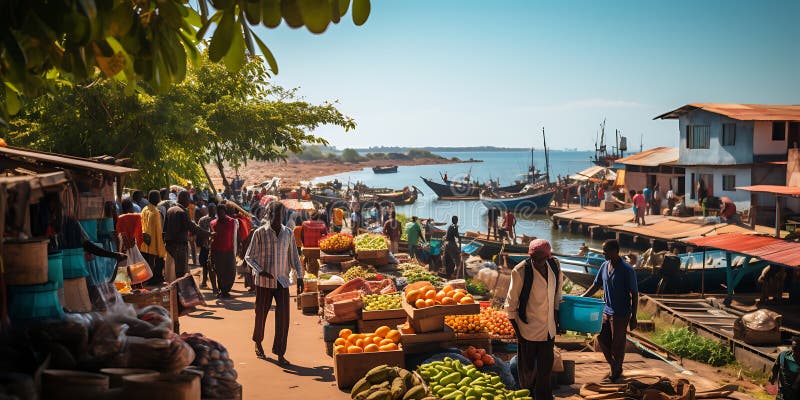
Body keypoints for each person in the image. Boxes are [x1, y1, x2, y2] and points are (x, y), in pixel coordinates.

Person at [245, 201, 303, 364]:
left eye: (281, 215)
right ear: (270, 215)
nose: (278, 219)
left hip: (282, 281)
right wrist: (259, 270)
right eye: (276, 215)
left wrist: (299, 277)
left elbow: (294, 258)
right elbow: (249, 256)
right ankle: (258, 341)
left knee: (283, 318)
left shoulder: (288, 233)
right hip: (264, 281)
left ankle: (280, 352)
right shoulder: (260, 233)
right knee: (260, 314)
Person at [506, 239, 562, 400]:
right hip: (527, 331)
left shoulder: (554, 266)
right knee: (527, 373)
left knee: (545, 370)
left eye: (541, 259)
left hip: (548, 329)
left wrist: (557, 321)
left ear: (548, 256)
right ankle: (528, 395)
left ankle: (544, 397)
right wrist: (520, 336)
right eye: (534, 258)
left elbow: (557, 295)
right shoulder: (520, 271)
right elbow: (510, 306)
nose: (537, 262)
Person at [582, 239, 639, 383]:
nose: (603, 253)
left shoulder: (627, 270)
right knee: (601, 337)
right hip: (606, 311)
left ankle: (615, 371)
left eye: (605, 250)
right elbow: (596, 285)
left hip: (621, 313)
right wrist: (582, 297)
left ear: (615, 251)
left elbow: (635, 293)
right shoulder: (604, 266)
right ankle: (615, 365)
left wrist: (634, 317)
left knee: (618, 344)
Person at [163, 190, 211, 280]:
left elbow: (164, 229)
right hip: (179, 246)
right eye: (188, 198)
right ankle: (179, 292)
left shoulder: (170, 210)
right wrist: (208, 233)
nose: (189, 201)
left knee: (171, 272)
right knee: (180, 274)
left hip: (170, 246)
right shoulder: (182, 212)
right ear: (183, 199)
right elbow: (192, 227)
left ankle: (174, 291)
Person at [210, 204, 237, 298]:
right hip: (217, 251)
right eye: (218, 213)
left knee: (231, 272)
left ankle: (227, 289)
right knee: (220, 272)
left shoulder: (232, 222)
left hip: (229, 251)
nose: (220, 215)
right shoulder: (213, 223)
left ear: (225, 213)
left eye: (222, 213)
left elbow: (236, 235)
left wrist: (239, 247)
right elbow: (211, 238)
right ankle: (223, 291)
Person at [140, 190, 166, 285]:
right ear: (156, 199)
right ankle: (154, 280)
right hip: (154, 244)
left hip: (145, 243)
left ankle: (149, 279)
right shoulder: (155, 212)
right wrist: (160, 248)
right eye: (158, 197)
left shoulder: (144, 209)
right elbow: (158, 232)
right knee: (157, 264)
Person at [197, 203, 217, 290]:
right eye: (211, 209)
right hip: (205, 245)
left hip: (214, 246)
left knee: (213, 265)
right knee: (205, 265)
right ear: (208, 209)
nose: (213, 210)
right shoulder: (203, 220)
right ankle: (204, 281)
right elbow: (198, 232)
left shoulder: (218, 219)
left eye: (214, 209)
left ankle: (213, 283)